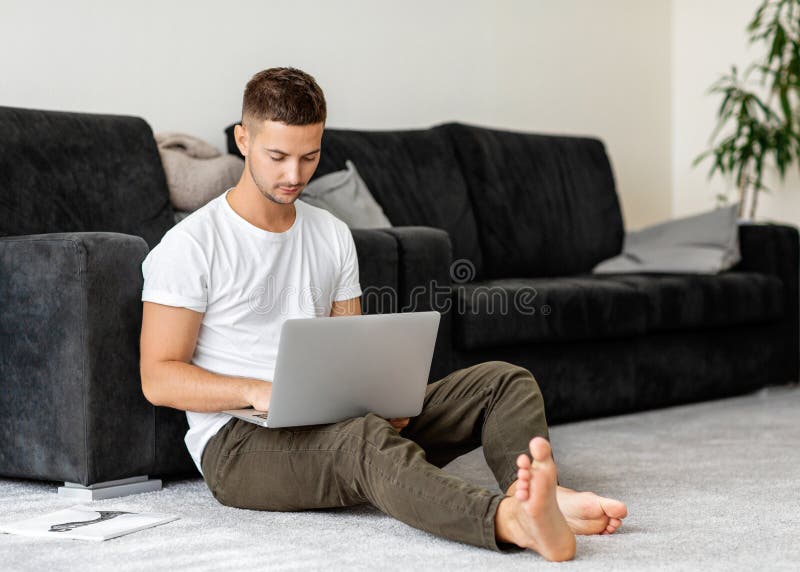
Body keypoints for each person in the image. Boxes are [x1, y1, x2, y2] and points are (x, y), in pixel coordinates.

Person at [139, 67, 627, 561]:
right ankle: (509, 521)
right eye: (278, 157)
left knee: (503, 381)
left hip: (334, 421)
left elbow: (349, 349)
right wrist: (255, 391)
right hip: (239, 445)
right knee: (363, 441)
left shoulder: (330, 233)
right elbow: (158, 378)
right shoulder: (192, 245)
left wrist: (379, 396)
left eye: (309, 156)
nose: (294, 175)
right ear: (244, 140)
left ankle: (548, 499)